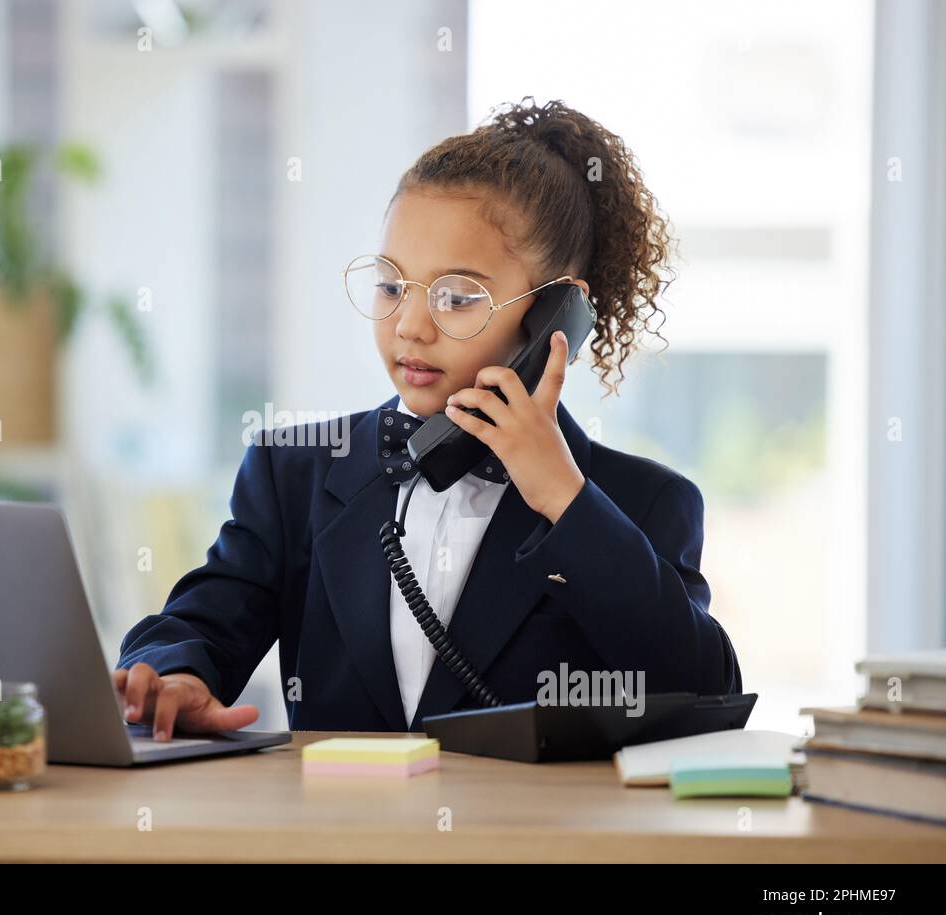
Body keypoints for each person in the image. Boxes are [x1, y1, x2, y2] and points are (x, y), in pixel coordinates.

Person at [114, 97, 742, 741]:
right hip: (337, 839)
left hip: (529, 844)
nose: (409, 326)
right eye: (391, 286)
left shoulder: (644, 502)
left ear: (554, 317)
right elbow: (204, 619)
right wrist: (175, 674)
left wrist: (564, 500)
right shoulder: (295, 469)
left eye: (457, 297)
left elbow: (699, 689)